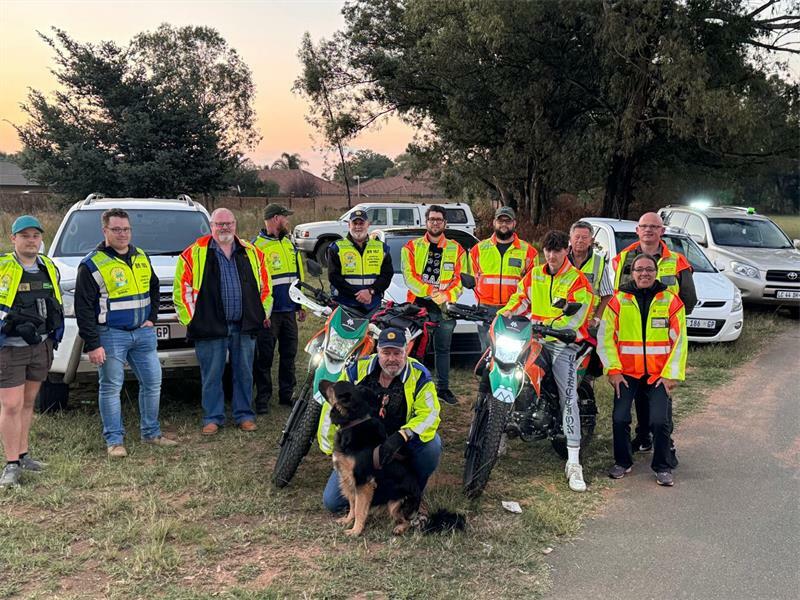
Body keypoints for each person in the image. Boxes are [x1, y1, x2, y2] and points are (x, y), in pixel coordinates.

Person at [75, 208, 177, 457]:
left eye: (126, 229)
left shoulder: (141, 255)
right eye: (116, 229)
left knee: (153, 382)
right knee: (111, 387)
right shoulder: (91, 264)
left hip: (142, 334)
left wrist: (151, 318)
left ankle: (151, 434)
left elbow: (154, 287)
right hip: (111, 335)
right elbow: (83, 308)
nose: (122, 234)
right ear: (105, 231)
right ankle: (114, 441)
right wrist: (93, 343)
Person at [499, 230, 593, 492]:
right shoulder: (535, 274)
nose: (551, 255)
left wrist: (549, 325)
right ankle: (498, 433)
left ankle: (574, 463)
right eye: (548, 250)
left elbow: (578, 315)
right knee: (507, 372)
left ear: (567, 251)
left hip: (563, 342)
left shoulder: (578, 280)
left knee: (568, 396)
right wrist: (504, 316)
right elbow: (520, 299)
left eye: (557, 250)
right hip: (534, 337)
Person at [318, 327, 442, 513]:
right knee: (333, 503)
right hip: (362, 447)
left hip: (400, 445)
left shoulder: (419, 375)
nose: (392, 358)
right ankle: (373, 494)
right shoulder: (356, 370)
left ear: (406, 351)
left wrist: (402, 435)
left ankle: (412, 493)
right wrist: (331, 450)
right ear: (377, 351)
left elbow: (430, 414)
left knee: (432, 445)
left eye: (397, 353)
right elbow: (332, 407)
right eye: (386, 352)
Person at [174, 208, 272, 435]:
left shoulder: (252, 252)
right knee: (211, 374)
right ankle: (212, 417)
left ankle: (244, 415)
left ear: (235, 225)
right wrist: (192, 320)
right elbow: (182, 291)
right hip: (209, 326)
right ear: (211, 226)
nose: (224, 228)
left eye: (228, 223)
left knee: (245, 372)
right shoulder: (192, 254)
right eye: (219, 224)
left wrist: (262, 314)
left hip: (244, 324)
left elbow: (266, 287)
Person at [598, 253, 687, 486]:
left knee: (659, 421)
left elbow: (680, 341)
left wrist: (670, 375)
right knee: (619, 418)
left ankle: (662, 466)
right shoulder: (618, 300)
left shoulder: (670, 300)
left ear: (656, 273)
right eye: (639, 270)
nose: (644, 273)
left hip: (658, 375)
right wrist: (613, 370)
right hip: (626, 374)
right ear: (632, 273)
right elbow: (606, 338)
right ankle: (623, 462)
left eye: (649, 269)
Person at [612, 212, 696, 453]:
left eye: (654, 226)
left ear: (663, 231)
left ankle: (664, 441)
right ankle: (643, 436)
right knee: (639, 392)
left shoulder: (677, 260)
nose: (649, 230)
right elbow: (620, 294)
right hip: (634, 335)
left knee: (662, 392)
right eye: (644, 226)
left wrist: (670, 321)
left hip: (663, 336)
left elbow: (688, 298)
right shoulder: (623, 258)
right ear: (637, 230)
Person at [0, 216, 63, 487]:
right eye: (24, 235)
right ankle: (11, 464)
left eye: (35, 235)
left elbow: (55, 302)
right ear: (13, 238)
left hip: (41, 346)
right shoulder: (3, 266)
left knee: (28, 403)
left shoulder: (49, 266)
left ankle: (23, 455)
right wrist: (12, 323)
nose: (31, 240)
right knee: (10, 405)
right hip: (10, 349)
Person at [401, 205, 467, 405]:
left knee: (443, 349)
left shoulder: (457, 249)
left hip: (445, 308)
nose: (435, 223)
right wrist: (430, 291)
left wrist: (445, 296)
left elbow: (460, 279)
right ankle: (412, 388)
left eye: (439, 219)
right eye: (432, 219)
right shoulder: (411, 247)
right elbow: (409, 277)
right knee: (414, 349)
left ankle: (443, 389)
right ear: (426, 222)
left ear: (445, 223)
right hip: (418, 307)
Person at [252, 203, 306, 413]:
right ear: (275, 218)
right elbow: (255, 283)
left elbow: (297, 274)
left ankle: (286, 394)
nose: (287, 221)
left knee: (289, 354)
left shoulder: (289, 243)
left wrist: (300, 304)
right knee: (264, 357)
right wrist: (261, 312)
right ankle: (263, 399)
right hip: (269, 314)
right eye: (285, 218)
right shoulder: (257, 247)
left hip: (289, 311)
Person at [469, 206, 537, 351]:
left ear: (514, 223)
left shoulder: (529, 252)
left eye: (508, 221)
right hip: (486, 309)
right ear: (494, 222)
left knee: (515, 352)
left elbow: (533, 286)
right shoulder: (478, 249)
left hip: (514, 310)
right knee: (487, 351)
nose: (504, 224)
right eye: (500, 221)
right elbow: (471, 278)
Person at [568, 220, 614, 379]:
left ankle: (585, 388)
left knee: (587, 365)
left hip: (587, 324)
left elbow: (607, 294)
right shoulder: (560, 258)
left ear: (591, 240)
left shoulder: (599, 262)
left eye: (584, 237)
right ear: (570, 238)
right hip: (561, 321)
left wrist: (597, 318)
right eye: (577, 236)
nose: (580, 240)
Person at [327, 210, 393, 313]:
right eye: (355, 223)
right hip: (346, 303)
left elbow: (387, 275)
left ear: (368, 225)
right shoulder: (337, 248)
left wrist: (370, 291)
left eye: (361, 223)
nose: (358, 226)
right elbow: (334, 276)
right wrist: (359, 294)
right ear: (349, 225)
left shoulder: (381, 248)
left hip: (373, 304)